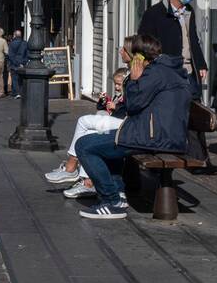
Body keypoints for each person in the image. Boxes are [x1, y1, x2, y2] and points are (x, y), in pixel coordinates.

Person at [73, 33, 191, 220]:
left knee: (84, 146)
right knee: (100, 142)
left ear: (140, 57)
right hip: (160, 133)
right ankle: (117, 193)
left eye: (135, 55)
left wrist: (135, 79)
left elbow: (133, 104)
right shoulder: (166, 69)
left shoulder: (155, 73)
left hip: (154, 137)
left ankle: (111, 201)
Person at [139, 0, 217, 174]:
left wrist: (200, 63)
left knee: (195, 114)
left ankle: (200, 160)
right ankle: (162, 156)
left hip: (188, 71)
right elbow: (144, 44)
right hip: (167, 73)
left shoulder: (188, 11)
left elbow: (193, 39)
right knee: (167, 115)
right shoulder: (154, 14)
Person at [45, 35, 138, 198]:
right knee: (89, 132)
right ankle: (87, 182)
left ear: (131, 53)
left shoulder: (134, 76)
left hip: (127, 124)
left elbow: (133, 105)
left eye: (124, 48)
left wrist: (116, 106)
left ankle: (71, 167)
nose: (120, 51)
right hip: (121, 120)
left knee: (84, 121)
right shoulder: (130, 75)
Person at [6, 28, 28, 99]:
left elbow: (11, 55)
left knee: (15, 79)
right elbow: (27, 54)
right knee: (21, 79)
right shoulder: (25, 43)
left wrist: (16, 63)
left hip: (14, 64)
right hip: (22, 64)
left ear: (14, 35)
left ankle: (17, 92)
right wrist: (23, 62)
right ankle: (21, 92)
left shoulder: (11, 44)